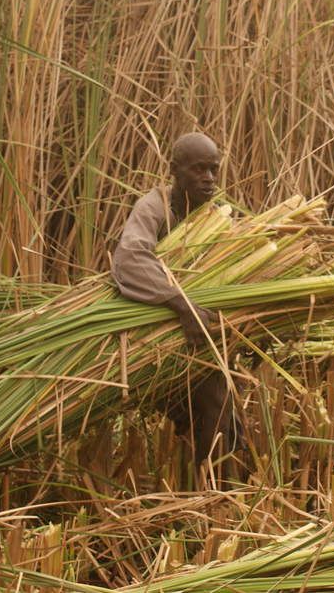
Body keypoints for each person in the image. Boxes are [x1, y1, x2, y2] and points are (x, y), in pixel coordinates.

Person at [111, 132, 240, 475]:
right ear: (175, 171)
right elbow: (130, 260)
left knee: (221, 407)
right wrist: (182, 306)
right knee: (200, 408)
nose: (209, 178)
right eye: (199, 169)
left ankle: (215, 499)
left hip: (203, 333)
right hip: (155, 331)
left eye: (214, 169)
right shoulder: (153, 207)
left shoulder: (220, 217)